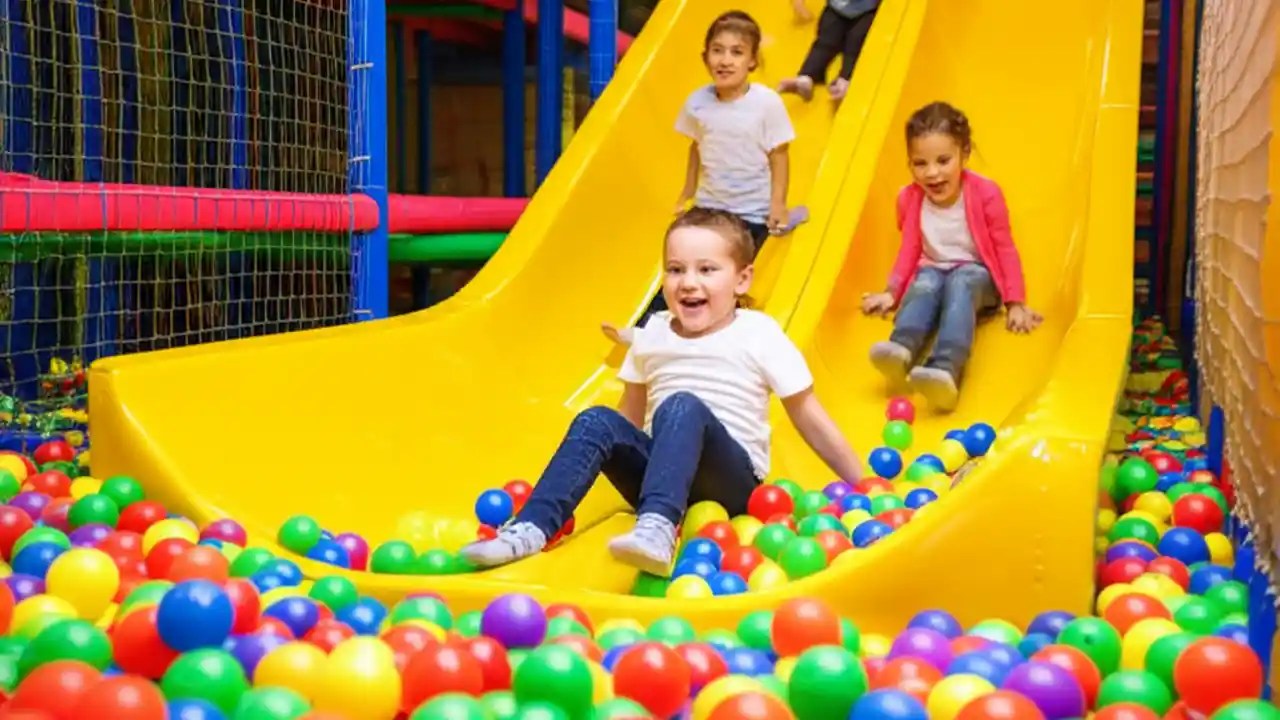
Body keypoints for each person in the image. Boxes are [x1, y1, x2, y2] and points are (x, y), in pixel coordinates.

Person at [463, 208, 864, 576]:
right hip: (658, 478)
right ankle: (532, 528)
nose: (688, 282)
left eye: (707, 269)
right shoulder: (653, 332)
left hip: (731, 487)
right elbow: (627, 421)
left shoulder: (758, 332)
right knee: (597, 419)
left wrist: (862, 485)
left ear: (742, 279)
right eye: (675, 269)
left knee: (681, 406)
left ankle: (657, 528)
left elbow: (807, 413)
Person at [602, 10, 795, 346]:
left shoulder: (766, 104)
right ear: (705, 57)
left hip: (751, 212)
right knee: (683, 269)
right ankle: (646, 331)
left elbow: (779, 155)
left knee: (720, 278)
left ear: (752, 60)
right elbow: (697, 147)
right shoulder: (698, 103)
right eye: (717, 51)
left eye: (737, 52)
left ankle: (714, 336)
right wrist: (688, 190)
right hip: (709, 207)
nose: (725, 60)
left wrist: (777, 204)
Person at [860, 101, 1042, 412]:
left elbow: (1005, 248)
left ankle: (945, 369)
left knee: (962, 280)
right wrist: (892, 292)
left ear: (964, 154)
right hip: (934, 271)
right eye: (920, 163)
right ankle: (901, 348)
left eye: (943, 160)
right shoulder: (910, 198)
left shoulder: (986, 193)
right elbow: (909, 250)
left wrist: (1016, 302)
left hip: (977, 277)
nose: (932, 173)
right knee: (926, 282)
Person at [778, 0, 880, 102]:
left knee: (855, 43)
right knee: (825, 41)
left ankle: (845, 80)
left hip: (866, 10)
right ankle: (807, 78)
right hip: (837, 7)